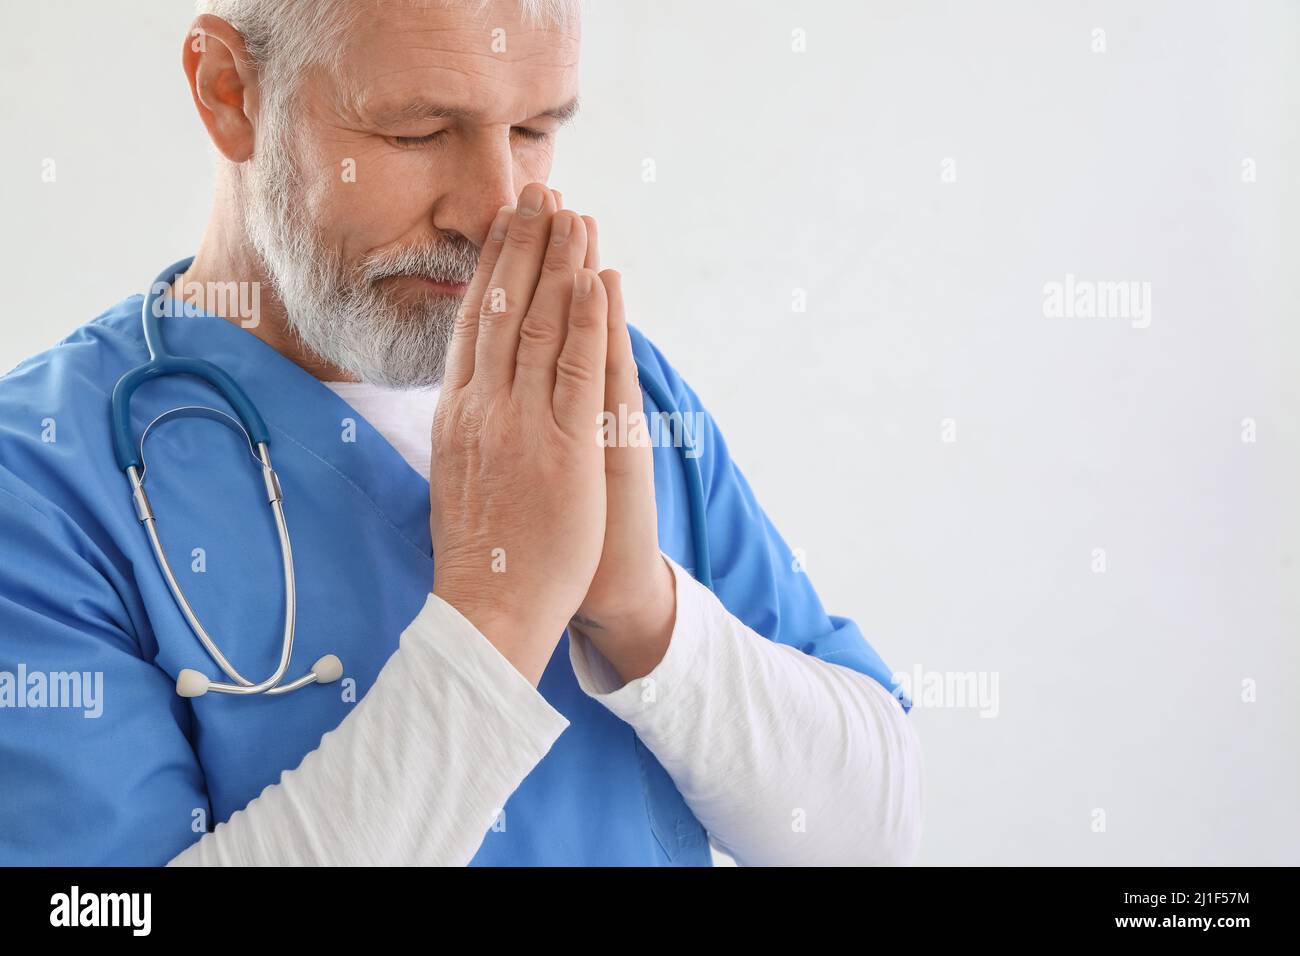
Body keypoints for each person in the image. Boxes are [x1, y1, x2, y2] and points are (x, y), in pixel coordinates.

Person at [0, 0, 922, 866]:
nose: (493, 208)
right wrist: (498, 618)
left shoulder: (600, 378)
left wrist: (644, 612)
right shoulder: (43, 483)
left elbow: (870, 830)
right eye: (418, 133)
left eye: (533, 131)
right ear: (228, 92)